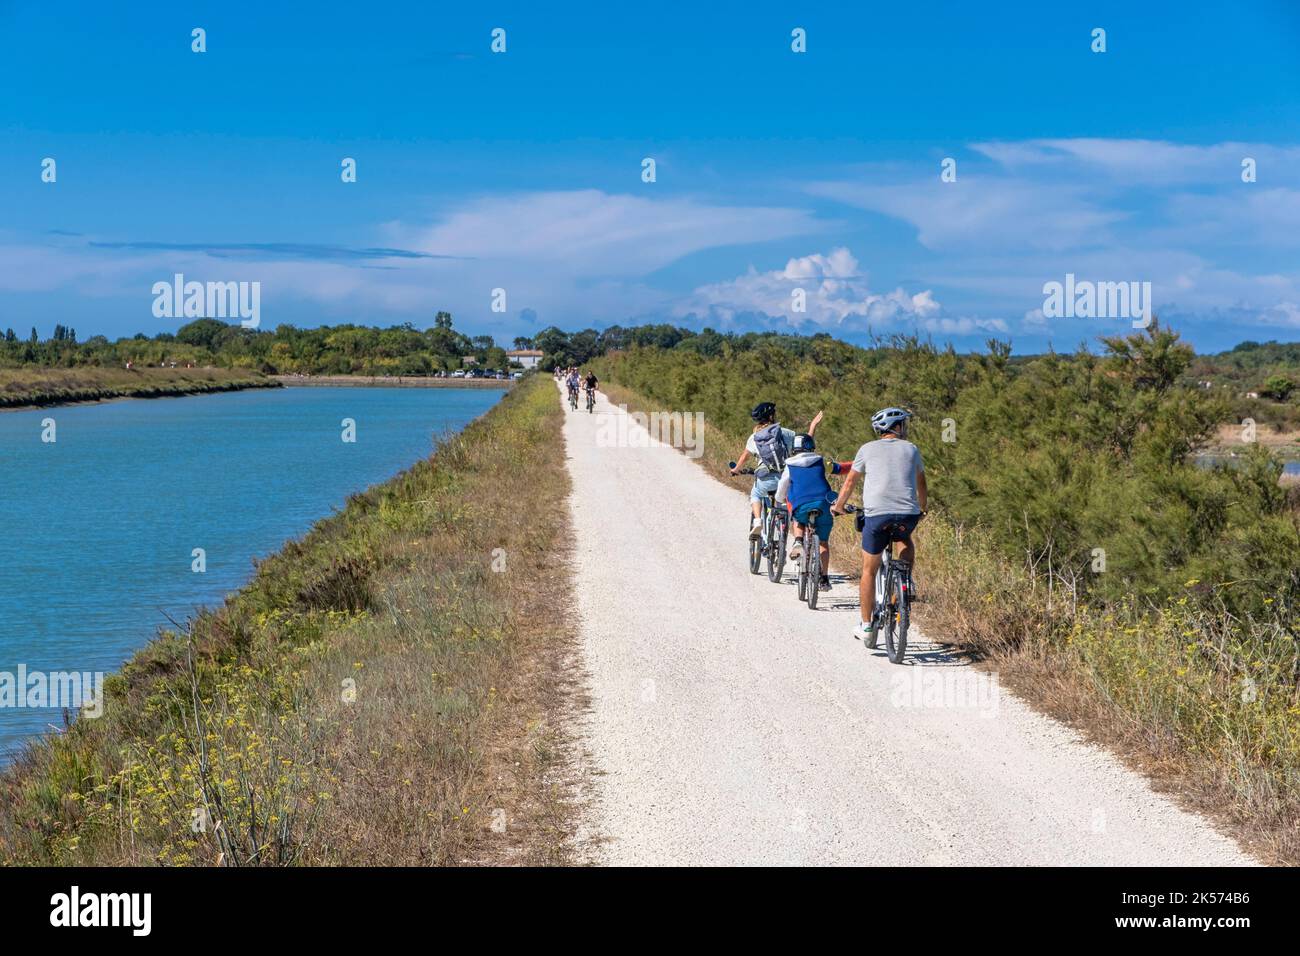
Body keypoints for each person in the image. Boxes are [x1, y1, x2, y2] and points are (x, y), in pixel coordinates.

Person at [831, 407, 927, 641]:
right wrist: (922, 508)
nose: (905, 428)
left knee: (868, 571)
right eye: (903, 424)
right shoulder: (912, 449)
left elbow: (850, 481)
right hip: (907, 515)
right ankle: (905, 580)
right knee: (904, 539)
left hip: (877, 516)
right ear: (897, 427)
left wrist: (838, 506)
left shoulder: (866, 449)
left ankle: (866, 626)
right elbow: (921, 483)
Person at [730, 404, 822, 540]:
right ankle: (787, 531)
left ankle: (757, 521)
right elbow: (804, 443)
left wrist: (735, 469)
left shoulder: (755, 437)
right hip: (785, 478)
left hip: (765, 479)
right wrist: (813, 425)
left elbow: (744, 457)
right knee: (784, 503)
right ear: (772, 416)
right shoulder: (786, 433)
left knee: (755, 493)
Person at [775, 433, 853, 591]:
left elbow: (783, 486)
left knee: (797, 517)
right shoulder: (821, 460)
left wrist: (780, 499)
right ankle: (824, 578)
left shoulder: (790, 464)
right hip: (824, 502)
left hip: (801, 502)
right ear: (811, 446)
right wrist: (857, 464)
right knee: (823, 542)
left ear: (794, 449)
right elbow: (839, 468)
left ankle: (798, 540)